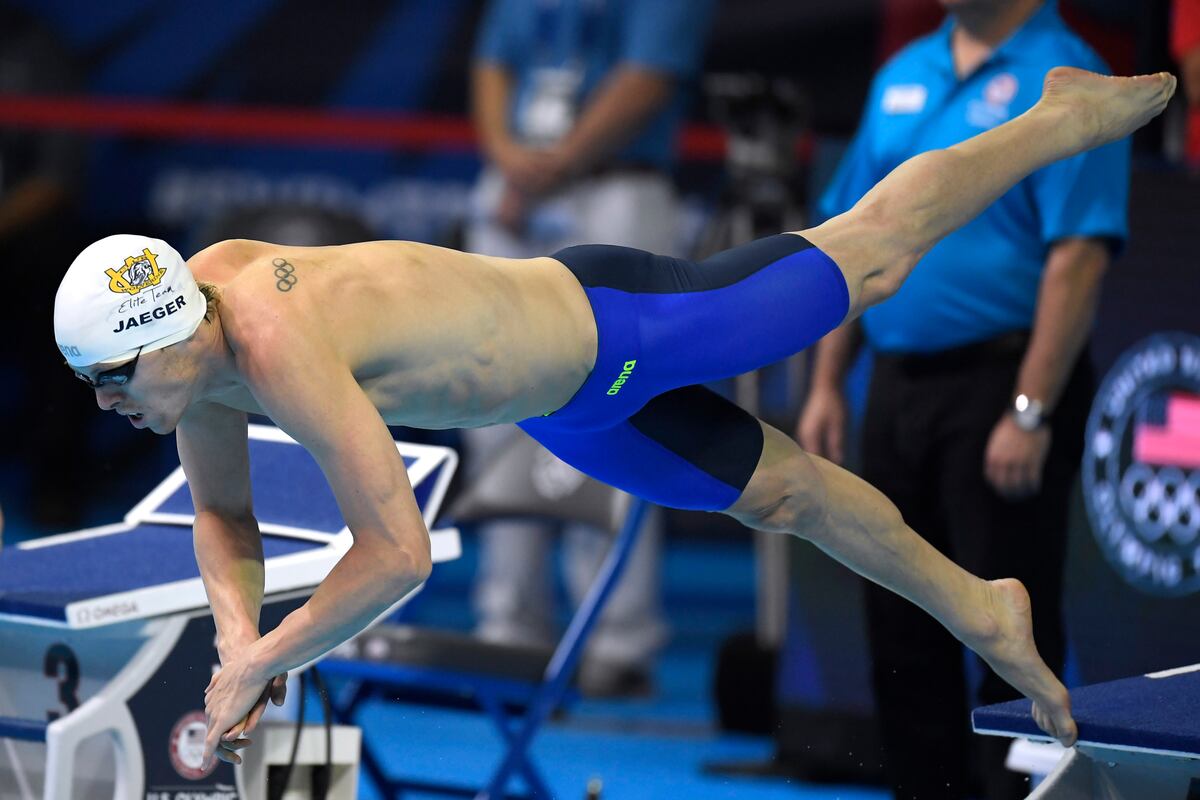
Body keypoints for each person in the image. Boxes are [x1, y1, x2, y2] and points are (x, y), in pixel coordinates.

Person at [50, 67, 1175, 771]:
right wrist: (240, 642)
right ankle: (986, 607)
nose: (108, 409)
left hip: (614, 319)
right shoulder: (194, 359)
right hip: (567, 411)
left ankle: (1053, 118)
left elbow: (396, 557)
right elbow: (225, 519)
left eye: (111, 383)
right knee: (786, 495)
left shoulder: (273, 338)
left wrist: (268, 654)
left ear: (171, 333)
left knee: (870, 257)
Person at [795, 2, 1132, 797]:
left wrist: (1031, 410)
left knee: (1008, 629)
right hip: (895, 385)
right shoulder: (904, 73)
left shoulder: (1068, 79)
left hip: (1003, 390)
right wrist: (824, 383)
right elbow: (849, 238)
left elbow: (1077, 258)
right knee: (900, 619)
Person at [464, 0, 714, 695]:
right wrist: (510, 159)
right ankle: (509, 629)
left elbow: (650, 75)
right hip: (515, 190)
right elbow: (493, 61)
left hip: (616, 189)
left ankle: (615, 637)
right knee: (492, 402)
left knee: (616, 407)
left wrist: (556, 164)